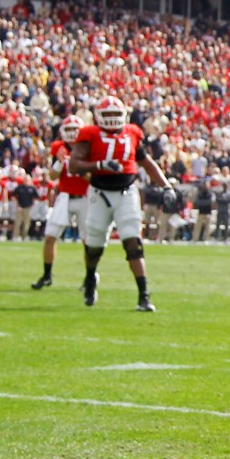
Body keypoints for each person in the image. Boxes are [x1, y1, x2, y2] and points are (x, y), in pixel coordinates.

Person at [66, 95, 174, 312]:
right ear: (98, 117)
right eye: (109, 115)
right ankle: (90, 279)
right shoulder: (90, 134)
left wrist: (166, 186)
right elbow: (74, 166)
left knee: (133, 242)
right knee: (94, 247)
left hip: (127, 192)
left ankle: (143, 295)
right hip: (99, 194)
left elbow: (146, 162)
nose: (113, 119)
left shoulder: (132, 133)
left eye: (117, 114)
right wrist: (99, 164)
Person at [31, 116, 89, 288]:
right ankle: (47, 275)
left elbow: (92, 178)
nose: (71, 134)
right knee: (50, 236)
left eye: (74, 130)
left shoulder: (88, 149)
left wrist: (77, 167)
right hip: (64, 196)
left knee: (88, 241)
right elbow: (52, 176)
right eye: (68, 130)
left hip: (85, 197)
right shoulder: (59, 148)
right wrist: (59, 162)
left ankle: (89, 277)